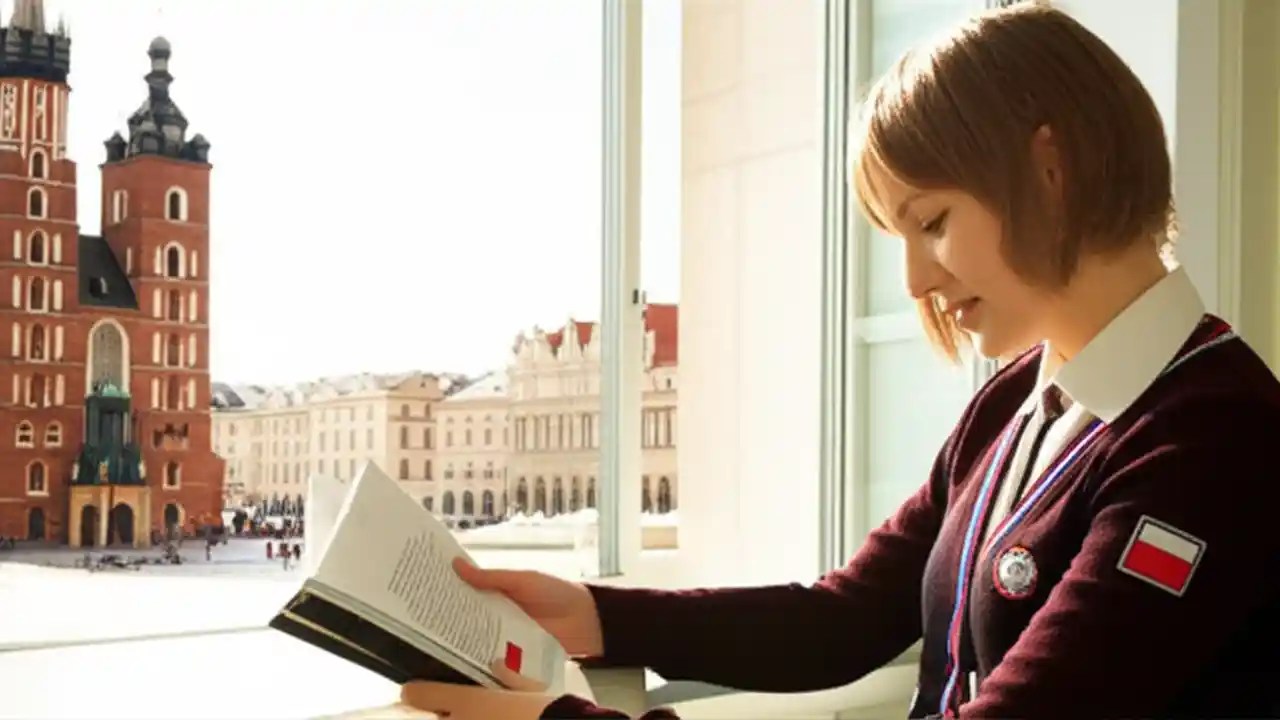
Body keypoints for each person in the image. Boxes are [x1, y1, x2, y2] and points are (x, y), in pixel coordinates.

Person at [400, 5, 1280, 719]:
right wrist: (594, 614)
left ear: (1052, 170)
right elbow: (845, 619)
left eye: (931, 222)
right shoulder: (1021, 401)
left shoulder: (1216, 442)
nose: (914, 279)